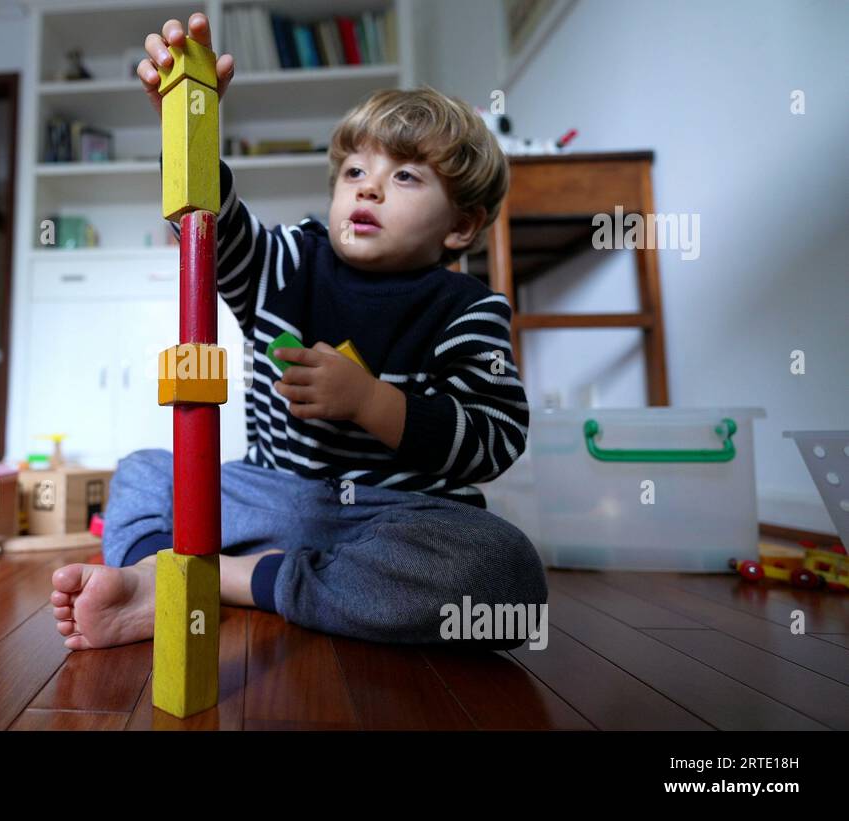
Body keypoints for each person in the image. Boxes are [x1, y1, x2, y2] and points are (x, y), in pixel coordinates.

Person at [51, 12, 546, 651]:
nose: (369, 187)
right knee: (143, 470)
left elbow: (495, 440)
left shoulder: (470, 309)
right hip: (268, 497)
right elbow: (218, 233)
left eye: (404, 176)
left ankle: (237, 580)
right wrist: (188, 124)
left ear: (461, 225)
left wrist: (372, 402)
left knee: (504, 577)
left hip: (392, 518)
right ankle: (154, 574)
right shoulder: (291, 261)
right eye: (354, 172)